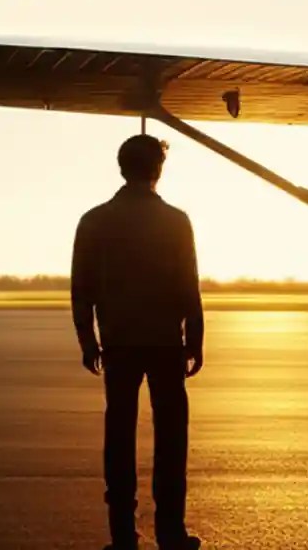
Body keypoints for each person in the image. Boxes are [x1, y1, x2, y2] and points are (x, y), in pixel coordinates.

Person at [71, 134, 205, 550]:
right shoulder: (176, 221)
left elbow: (81, 287)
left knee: (119, 436)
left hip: (119, 342)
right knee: (171, 439)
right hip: (165, 343)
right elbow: (188, 284)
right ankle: (171, 531)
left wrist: (87, 340)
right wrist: (195, 338)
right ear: (157, 170)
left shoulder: (94, 220)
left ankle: (122, 535)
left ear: (121, 167)